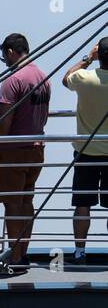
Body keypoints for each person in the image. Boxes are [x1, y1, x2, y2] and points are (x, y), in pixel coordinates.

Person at [0, 33, 51, 270]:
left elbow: (5, 123)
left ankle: (14, 259)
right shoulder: (43, 77)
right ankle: (22, 253)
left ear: (10, 52)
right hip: (36, 149)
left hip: (14, 151)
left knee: (12, 205)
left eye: (3, 56)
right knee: (26, 201)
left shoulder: (12, 80)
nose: (4, 61)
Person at [63, 39, 108, 264]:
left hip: (86, 151)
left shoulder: (84, 78)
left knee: (82, 204)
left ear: (100, 55)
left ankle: (80, 252)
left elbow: (65, 79)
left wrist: (88, 58)